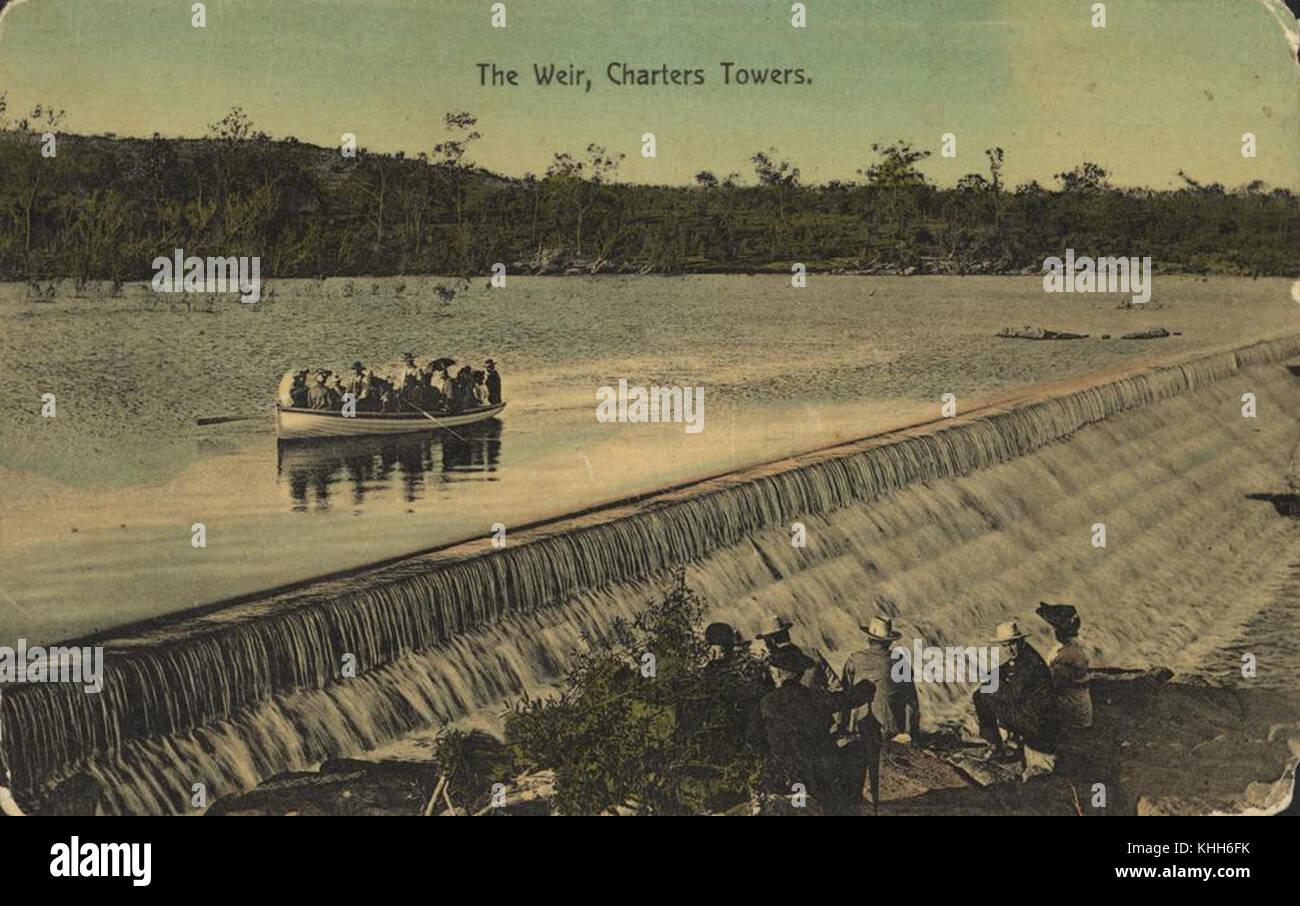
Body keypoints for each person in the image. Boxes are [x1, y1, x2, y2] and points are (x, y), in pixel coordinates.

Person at [759, 647, 877, 815]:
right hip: (816, 772)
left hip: (781, 772)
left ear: (777, 674)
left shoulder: (766, 702)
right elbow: (846, 699)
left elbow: (757, 737)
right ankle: (849, 806)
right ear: (800, 674)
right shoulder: (814, 697)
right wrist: (866, 686)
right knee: (856, 749)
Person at [973, 620, 1052, 762]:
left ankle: (996, 746)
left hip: (1036, 723)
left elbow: (1013, 695)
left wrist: (990, 687)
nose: (1008, 649)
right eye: (1004, 645)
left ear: (1021, 641)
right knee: (986, 690)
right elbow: (1009, 667)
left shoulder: (1030, 664)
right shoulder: (1027, 654)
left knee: (981, 697)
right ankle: (1012, 739)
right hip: (1035, 714)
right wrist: (992, 676)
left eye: (1012, 644)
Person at [840, 616, 922, 742]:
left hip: (860, 730)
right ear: (890, 642)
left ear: (869, 639)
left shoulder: (854, 659)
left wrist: (842, 729)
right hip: (891, 732)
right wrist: (913, 733)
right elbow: (912, 702)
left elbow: (844, 696)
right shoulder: (900, 661)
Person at [755, 615, 830, 689]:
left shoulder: (771, 664)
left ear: (771, 641)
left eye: (766, 640)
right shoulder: (813, 653)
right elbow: (835, 685)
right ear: (787, 634)